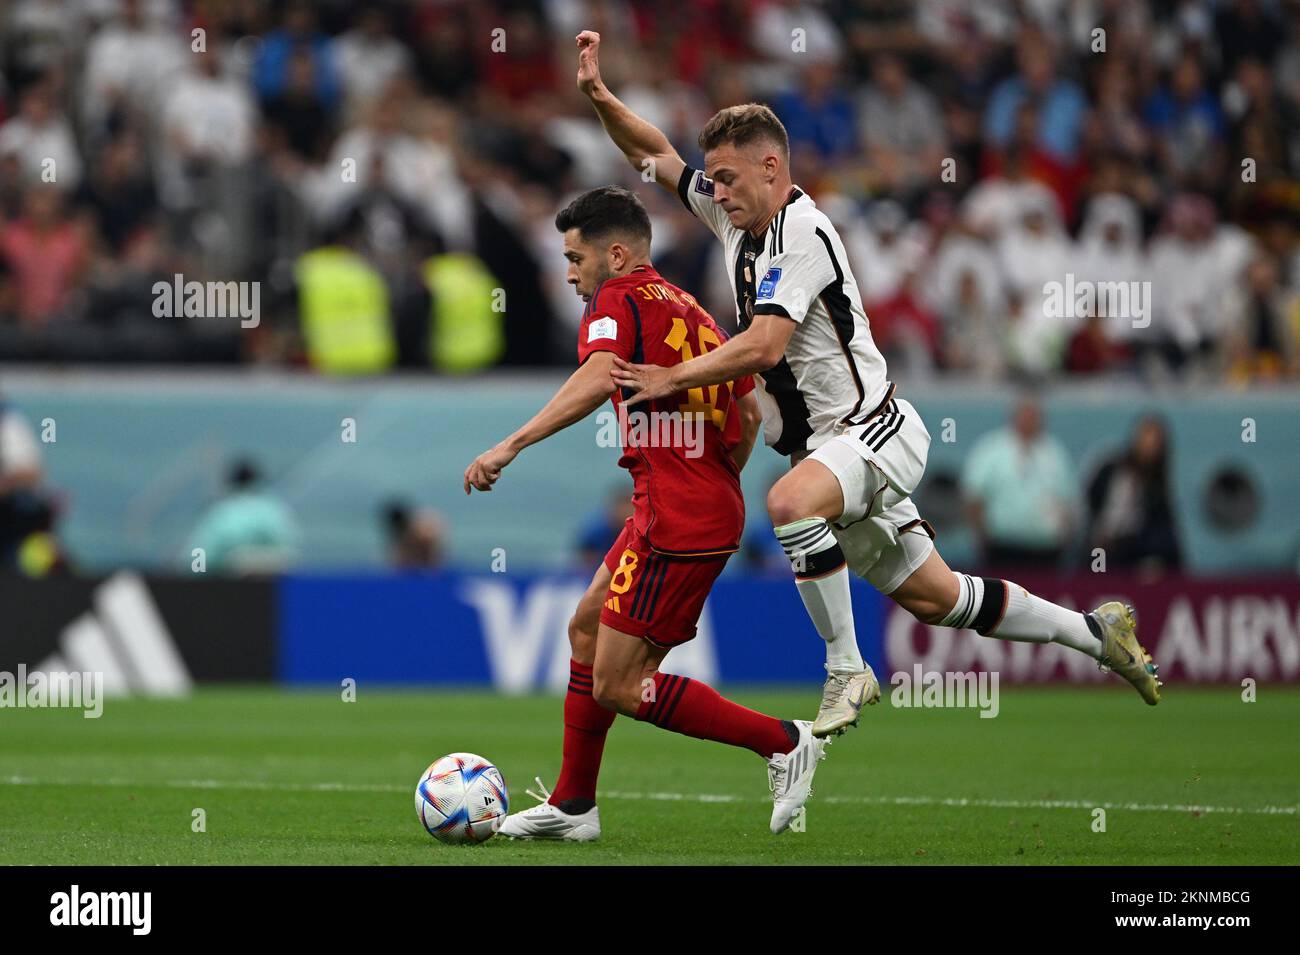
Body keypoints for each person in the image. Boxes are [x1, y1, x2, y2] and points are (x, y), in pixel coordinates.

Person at [574, 31, 1162, 735]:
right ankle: (1096, 633)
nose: (716, 191)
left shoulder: (805, 231)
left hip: (871, 431)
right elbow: (653, 155)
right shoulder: (735, 218)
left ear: (771, 167)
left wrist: (673, 373)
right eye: (714, 180)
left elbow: (764, 345)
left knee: (788, 503)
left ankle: (847, 669)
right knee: (942, 598)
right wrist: (601, 97)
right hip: (826, 452)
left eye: (728, 178)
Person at [464, 186, 826, 839]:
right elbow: (747, 413)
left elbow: (601, 374)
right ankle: (575, 805)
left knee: (620, 685)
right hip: (688, 505)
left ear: (617, 253)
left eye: (576, 258)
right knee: (584, 628)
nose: (570, 274)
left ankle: (783, 740)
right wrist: (711, 479)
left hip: (676, 518)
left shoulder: (618, 297)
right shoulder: (690, 306)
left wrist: (509, 444)